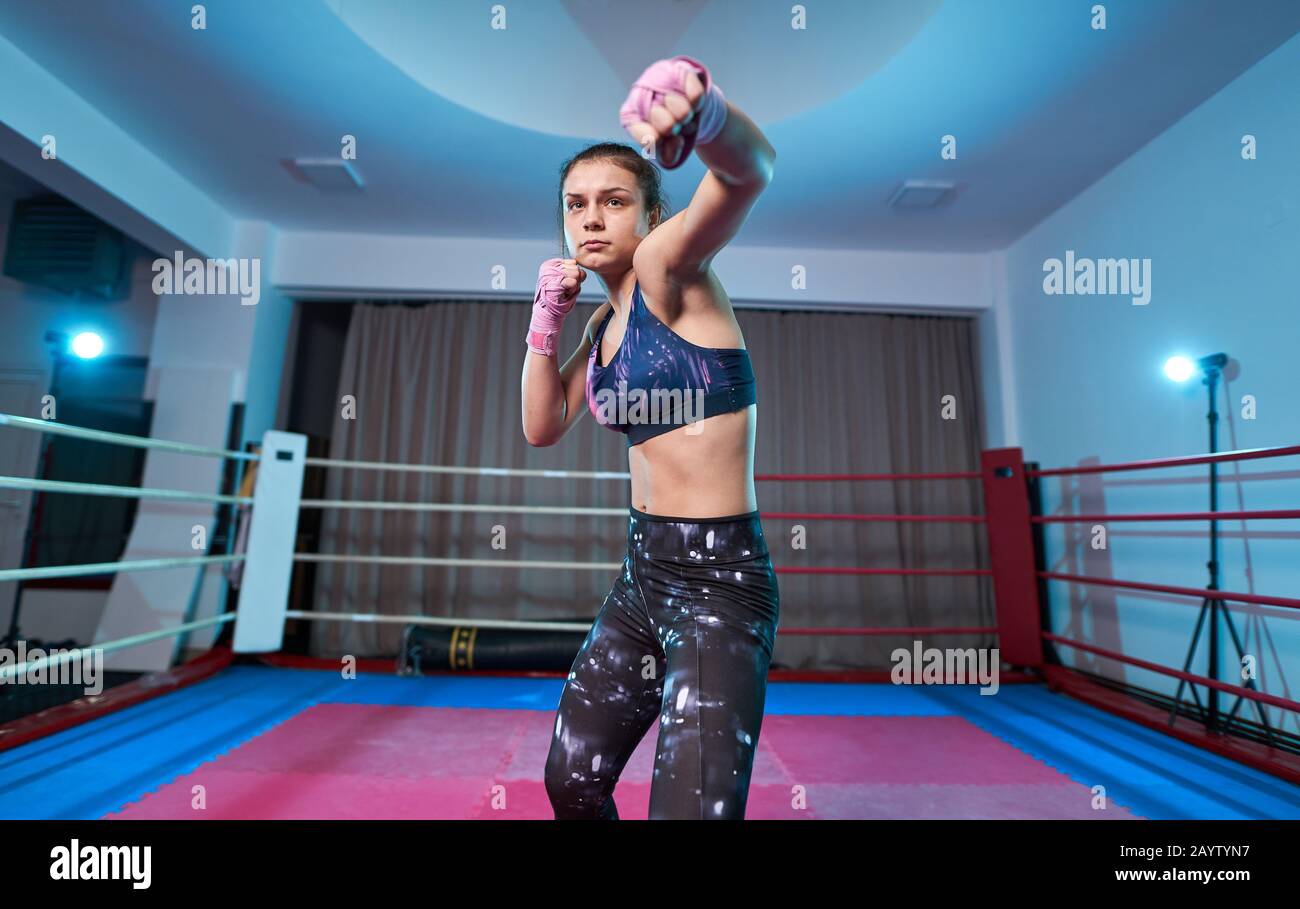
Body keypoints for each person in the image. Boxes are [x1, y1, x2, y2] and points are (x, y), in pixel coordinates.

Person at [521, 56, 778, 819]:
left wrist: (707, 120)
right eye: (575, 205)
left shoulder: (671, 271)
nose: (590, 219)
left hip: (719, 586)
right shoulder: (601, 324)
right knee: (570, 780)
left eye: (612, 201)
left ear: (651, 216)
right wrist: (545, 322)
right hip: (640, 577)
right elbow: (541, 427)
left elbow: (748, 174)